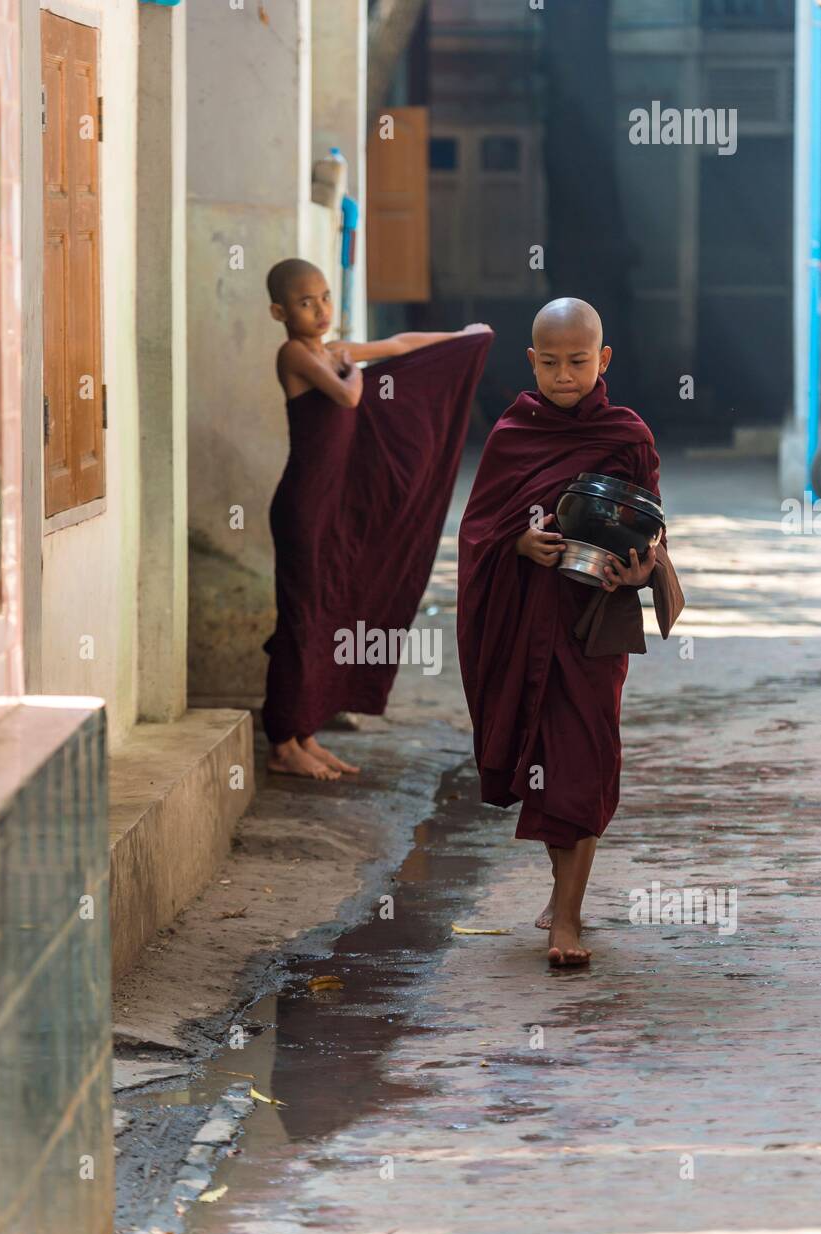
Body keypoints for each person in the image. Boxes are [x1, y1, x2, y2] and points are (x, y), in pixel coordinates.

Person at [457, 297, 683, 966]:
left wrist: (641, 568)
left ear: (602, 359)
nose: (563, 375)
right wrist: (519, 546)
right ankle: (562, 898)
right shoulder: (511, 433)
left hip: (593, 624)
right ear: (530, 361)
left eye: (578, 362)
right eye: (549, 363)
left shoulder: (626, 435)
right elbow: (480, 531)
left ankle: (567, 917)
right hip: (528, 615)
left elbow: (651, 528)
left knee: (582, 760)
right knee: (546, 761)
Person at [263, 257, 493, 781]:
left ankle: (304, 733)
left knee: (326, 613)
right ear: (279, 311)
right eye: (305, 302)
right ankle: (281, 742)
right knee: (301, 619)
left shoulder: (329, 350)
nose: (321, 309)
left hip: (329, 506)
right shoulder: (295, 353)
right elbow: (347, 393)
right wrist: (351, 368)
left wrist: (460, 339)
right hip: (303, 507)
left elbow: (397, 345)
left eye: (325, 297)